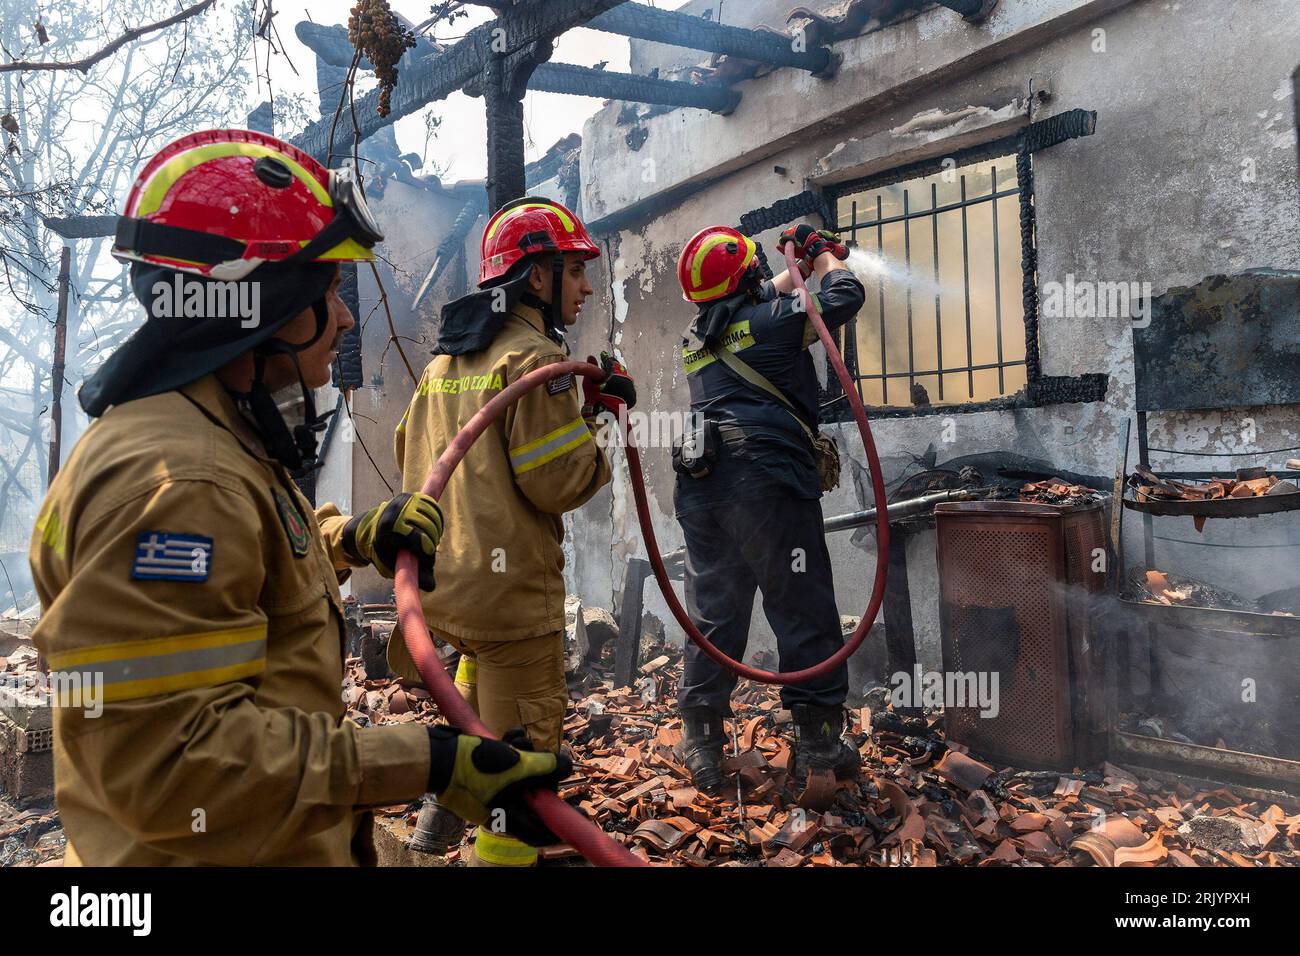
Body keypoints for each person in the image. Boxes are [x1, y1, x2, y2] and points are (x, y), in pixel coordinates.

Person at [28, 129, 568, 866]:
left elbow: (250, 559)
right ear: (256, 306)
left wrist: (350, 539)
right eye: (324, 295)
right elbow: (170, 770)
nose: (346, 318)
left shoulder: (206, 428)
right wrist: (430, 763)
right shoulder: (181, 483)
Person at [385, 196, 634, 867]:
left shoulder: (443, 365)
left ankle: (434, 830)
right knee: (524, 776)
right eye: (575, 272)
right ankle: (497, 853)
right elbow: (559, 482)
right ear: (537, 278)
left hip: (450, 591)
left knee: (472, 714)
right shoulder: (531, 361)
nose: (585, 288)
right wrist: (601, 418)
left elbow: (419, 454)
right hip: (511, 602)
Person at [672, 223, 866, 795]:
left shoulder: (696, 338)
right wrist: (826, 256)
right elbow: (844, 298)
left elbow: (755, 298)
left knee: (716, 613)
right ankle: (820, 745)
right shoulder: (775, 321)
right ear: (750, 279)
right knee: (800, 603)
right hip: (766, 482)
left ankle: (702, 743)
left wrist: (797, 263)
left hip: (703, 487)